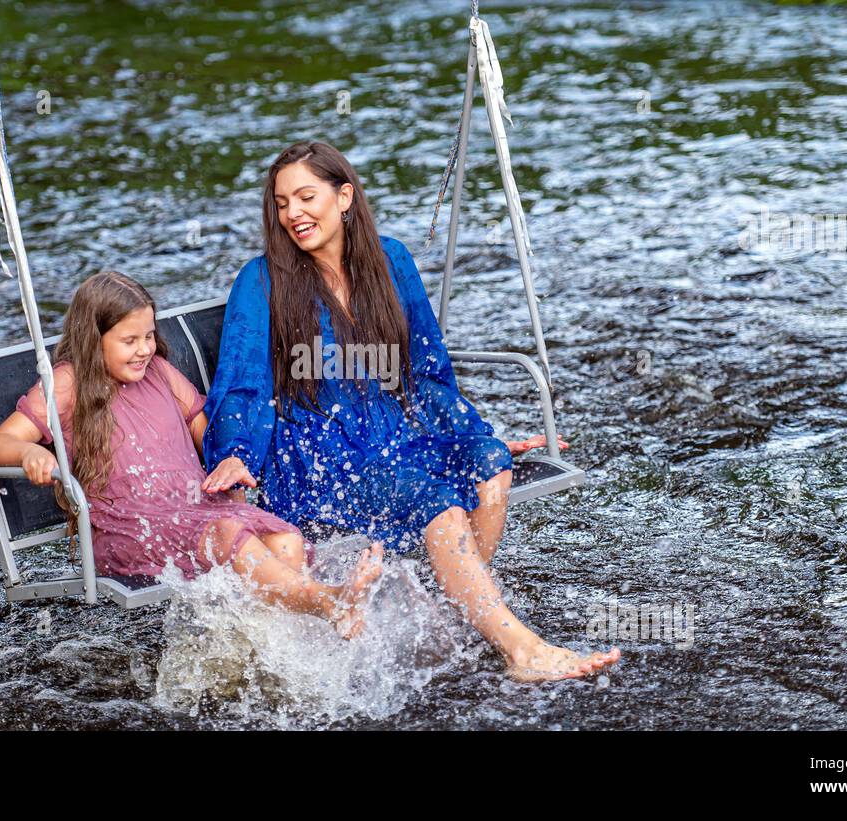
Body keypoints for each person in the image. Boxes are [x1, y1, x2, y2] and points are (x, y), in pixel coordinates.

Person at [200, 141, 620, 681]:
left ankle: (454, 618)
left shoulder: (391, 261)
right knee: (434, 500)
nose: (293, 214)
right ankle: (522, 650)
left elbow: (427, 372)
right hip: (318, 455)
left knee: (489, 462)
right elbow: (243, 382)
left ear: (344, 196)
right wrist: (236, 454)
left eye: (306, 197)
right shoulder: (263, 281)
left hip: (392, 433)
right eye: (282, 203)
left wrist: (467, 432)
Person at [0, 270, 383, 639]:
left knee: (284, 539)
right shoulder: (67, 383)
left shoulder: (158, 371)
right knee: (229, 536)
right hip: (130, 526)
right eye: (129, 340)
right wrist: (32, 452)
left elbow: (206, 432)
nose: (143, 350)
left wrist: (229, 458)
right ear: (92, 339)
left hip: (190, 509)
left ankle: (282, 653)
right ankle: (328, 602)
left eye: (149, 336)